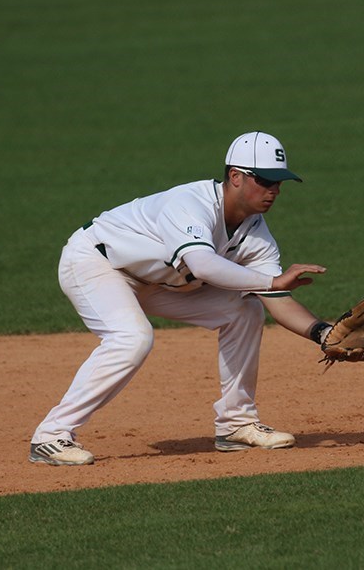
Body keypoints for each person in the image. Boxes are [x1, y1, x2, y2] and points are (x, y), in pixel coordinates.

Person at [29, 131, 334, 466]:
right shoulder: (191, 204)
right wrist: (271, 279)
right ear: (235, 176)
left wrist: (323, 333)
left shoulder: (255, 231)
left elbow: (274, 296)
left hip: (158, 283)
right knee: (132, 338)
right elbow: (202, 265)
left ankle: (236, 424)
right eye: (265, 180)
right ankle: (51, 436)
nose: (274, 190)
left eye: (279, 182)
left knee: (245, 309)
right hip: (97, 263)